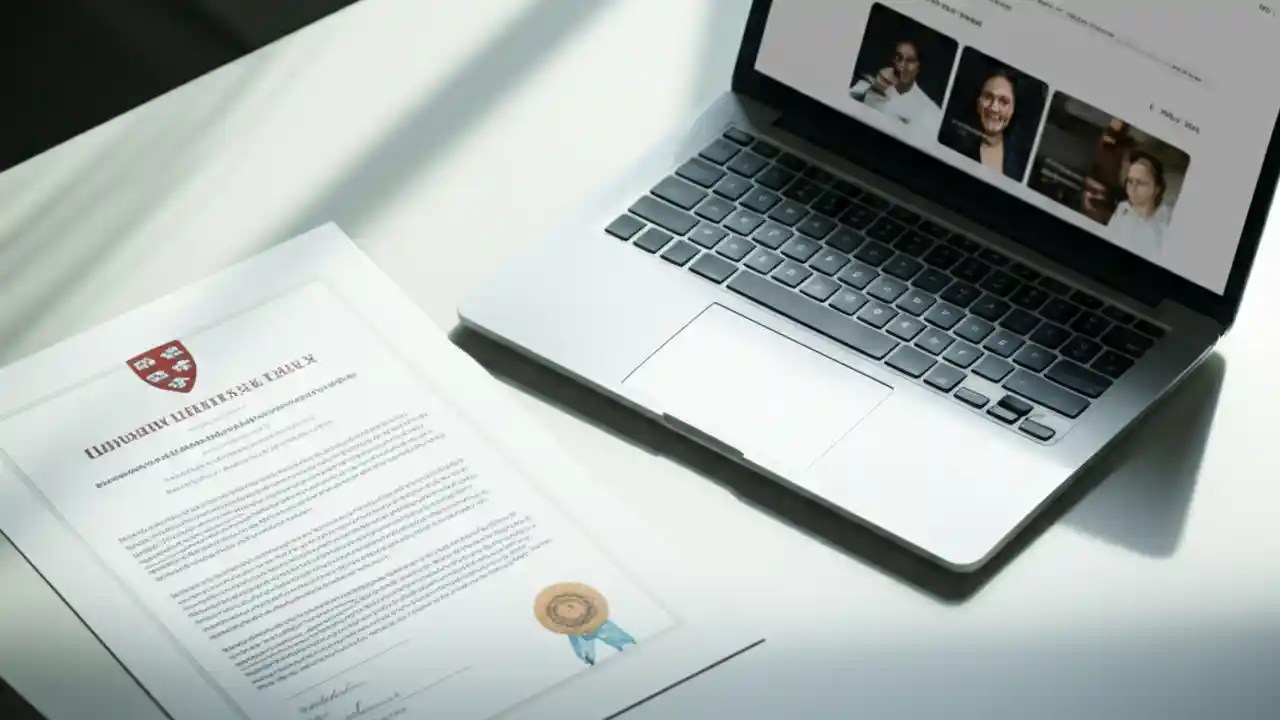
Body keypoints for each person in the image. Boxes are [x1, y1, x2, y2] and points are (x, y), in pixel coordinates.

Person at [944, 68, 1032, 181]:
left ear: (1014, 109)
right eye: (988, 97)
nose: (994, 108)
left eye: (1003, 101)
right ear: (977, 103)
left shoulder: (1022, 162)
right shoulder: (952, 144)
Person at [849, 39, 942, 143]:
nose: (902, 65)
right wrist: (875, 91)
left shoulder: (930, 112)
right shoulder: (869, 84)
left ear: (918, 67)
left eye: (910, 60)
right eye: (898, 58)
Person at [1108, 151, 1172, 257]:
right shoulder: (1122, 210)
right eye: (1130, 181)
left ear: (1156, 188)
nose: (1133, 188)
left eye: (1141, 183)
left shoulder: (1167, 219)